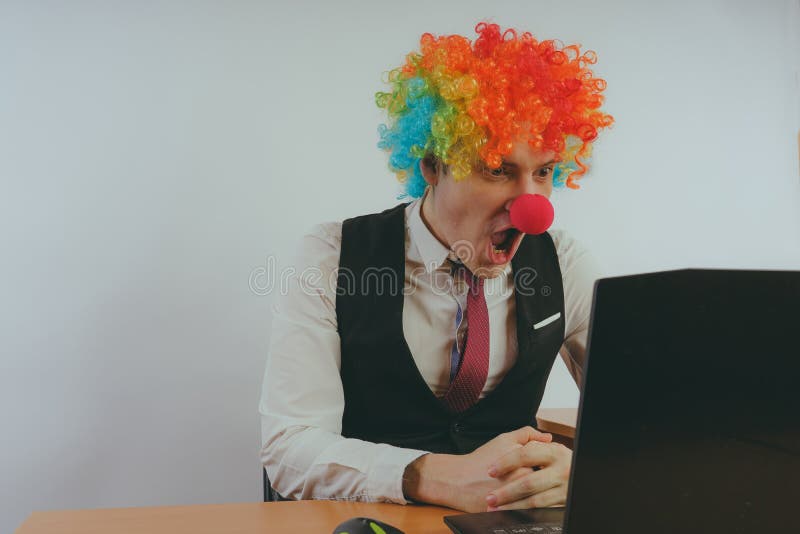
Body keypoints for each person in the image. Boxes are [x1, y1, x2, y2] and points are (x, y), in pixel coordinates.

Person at [259, 22, 613, 513]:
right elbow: (289, 446)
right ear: (431, 164)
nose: (533, 208)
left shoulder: (564, 262)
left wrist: (582, 467)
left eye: (545, 172)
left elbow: (645, 423)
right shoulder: (331, 255)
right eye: (498, 169)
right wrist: (430, 476)